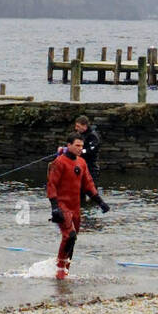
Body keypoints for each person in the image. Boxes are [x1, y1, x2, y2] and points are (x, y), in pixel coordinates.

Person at [47, 133, 110, 280]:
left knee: (73, 240)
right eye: (77, 145)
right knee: (70, 235)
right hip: (62, 205)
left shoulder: (81, 162)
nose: (80, 149)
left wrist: (100, 202)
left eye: (82, 146)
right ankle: (60, 269)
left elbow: (88, 184)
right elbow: (51, 185)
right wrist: (54, 207)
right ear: (68, 145)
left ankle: (66, 269)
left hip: (75, 207)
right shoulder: (59, 162)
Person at [74, 115, 101, 183]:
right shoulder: (79, 134)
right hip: (80, 165)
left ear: (84, 126)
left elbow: (91, 150)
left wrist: (79, 151)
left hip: (91, 167)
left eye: (78, 126)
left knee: (91, 190)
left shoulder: (93, 136)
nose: (76, 128)